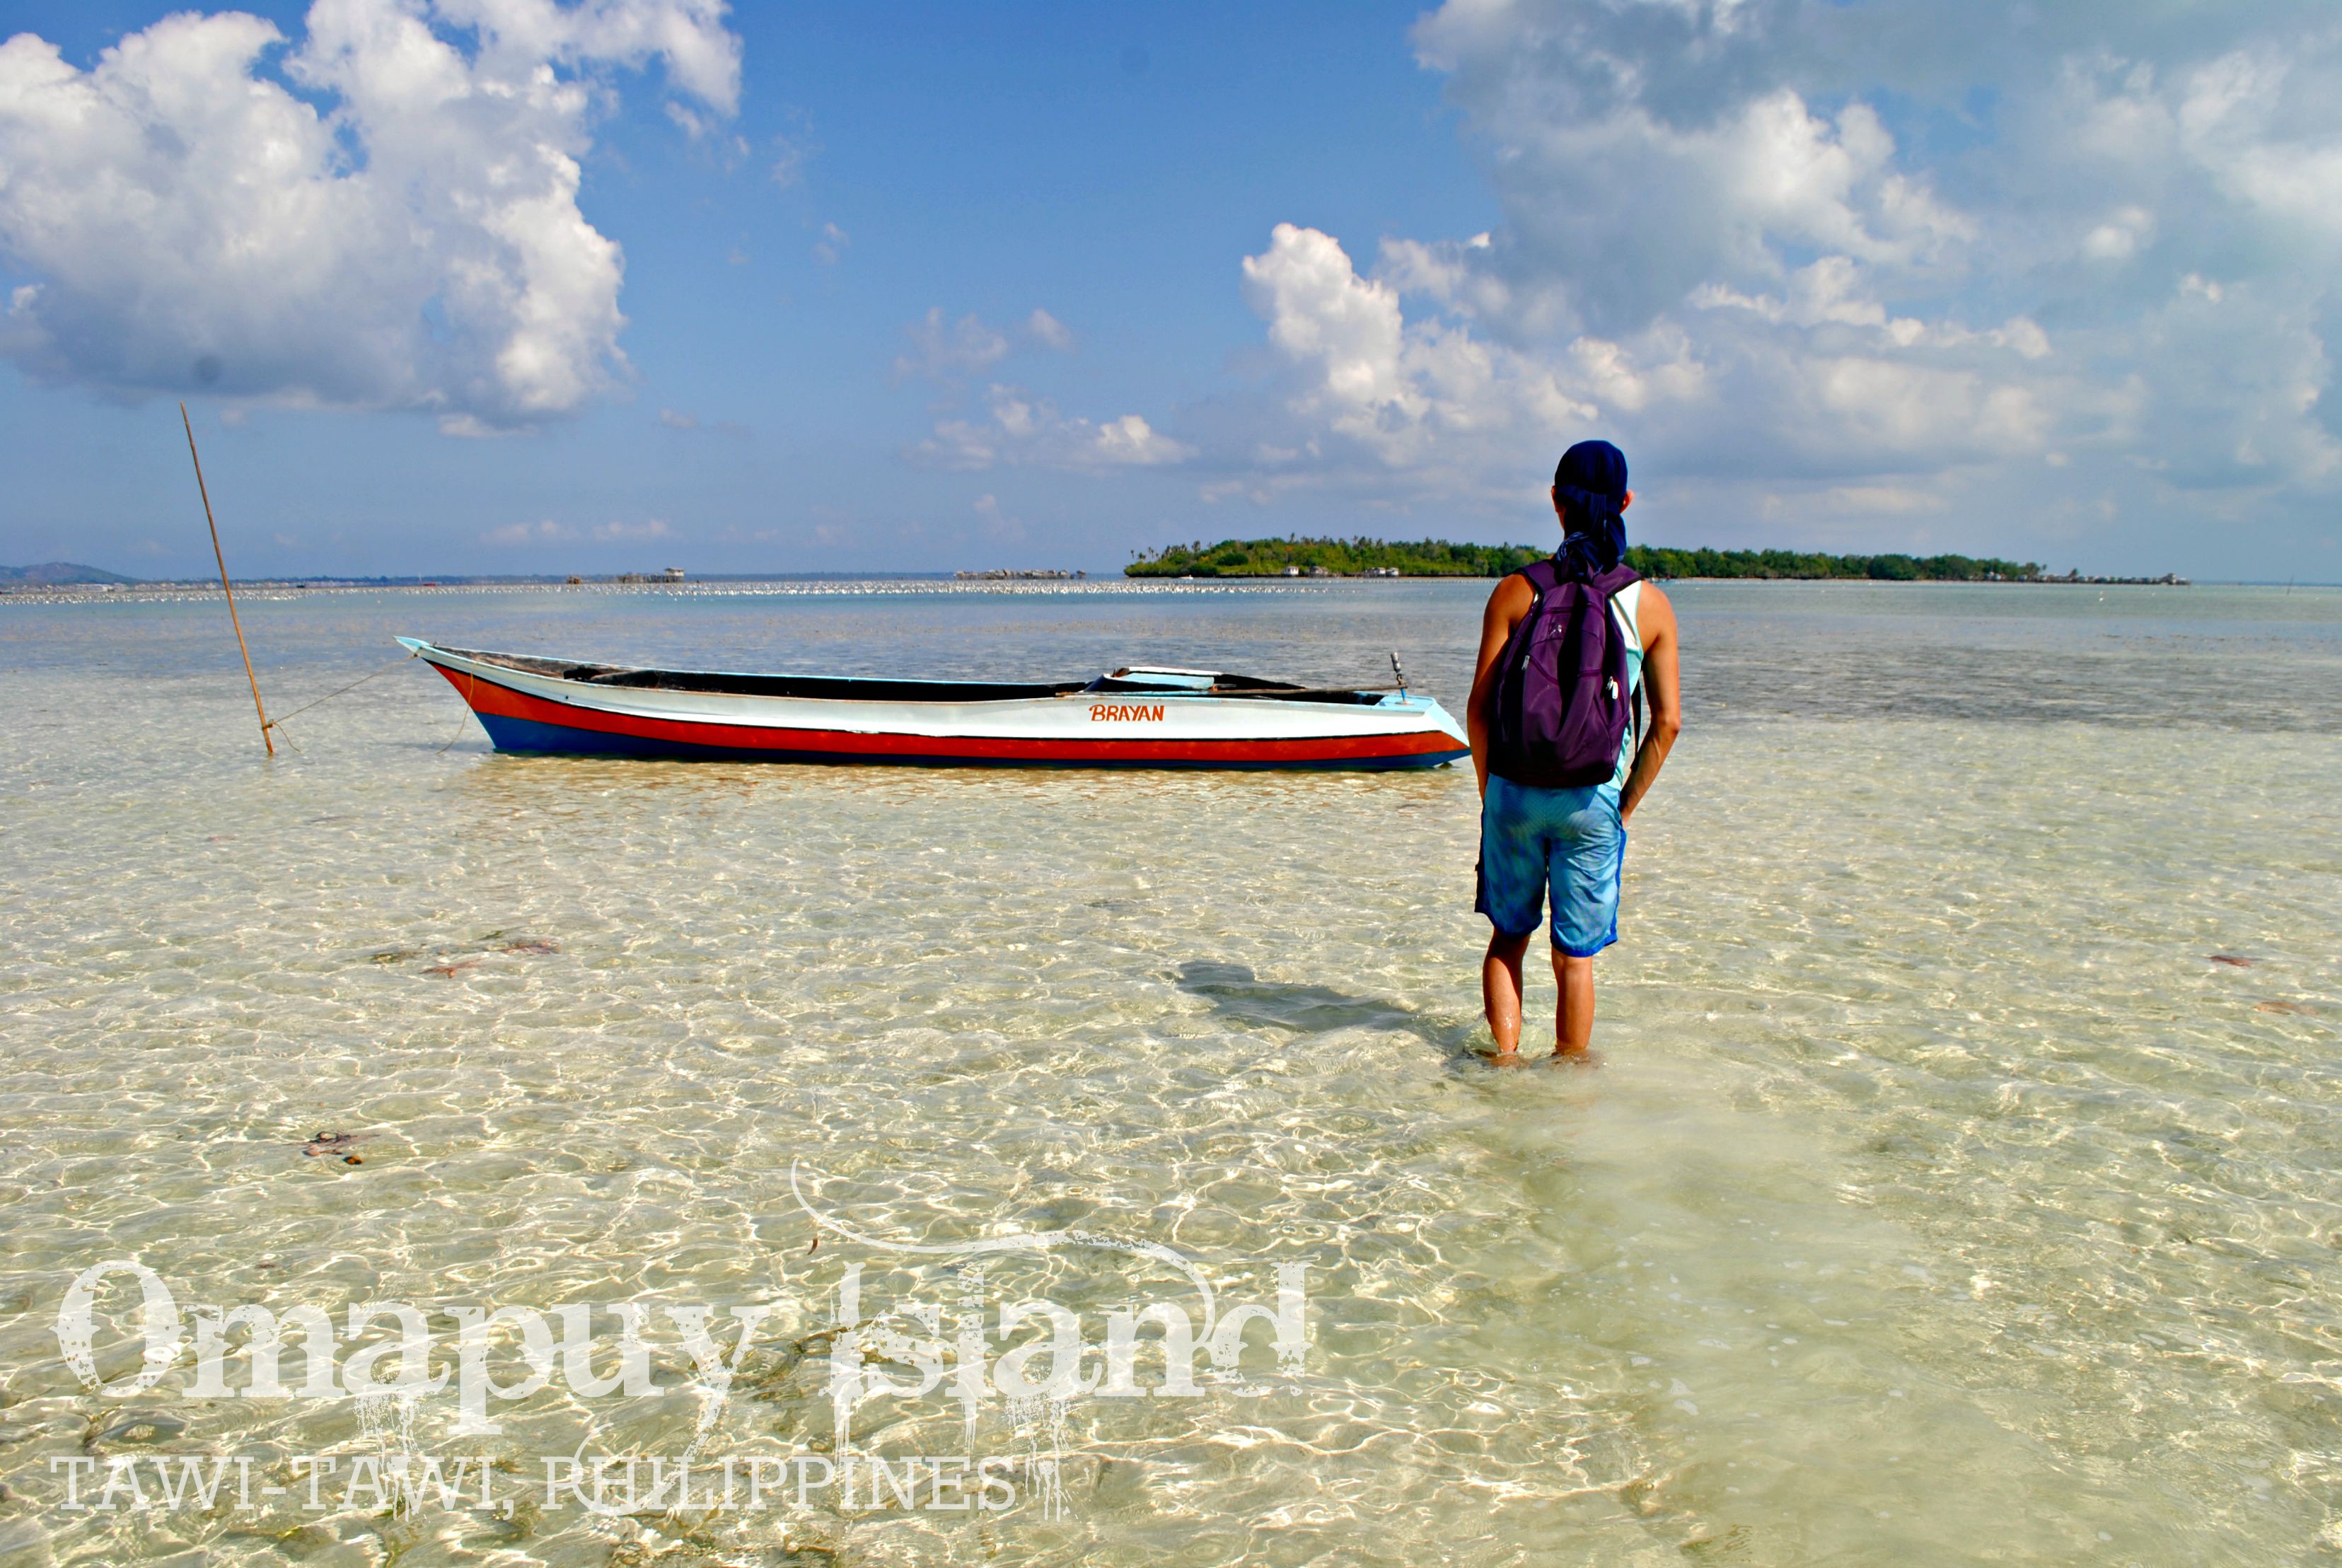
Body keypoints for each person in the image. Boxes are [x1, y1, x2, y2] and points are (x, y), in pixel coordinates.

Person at [1466, 440, 1681, 1062]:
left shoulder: (1514, 591)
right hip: (1592, 800)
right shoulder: (1649, 604)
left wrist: (1492, 792)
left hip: (1511, 790)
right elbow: (1665, 724)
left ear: (1556, 502)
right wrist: (1622, 805)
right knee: (1574, 958)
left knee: (1509, 940)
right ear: (1625, 503)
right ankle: (1567, 1093)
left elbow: (1478, 710)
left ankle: (1503, 1068)